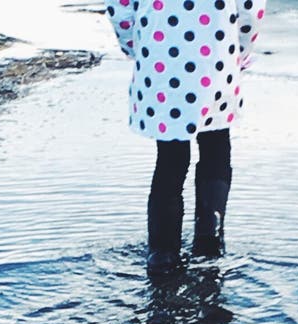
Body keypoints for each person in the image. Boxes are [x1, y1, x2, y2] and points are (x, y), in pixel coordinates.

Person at [106, 0, 265, 276]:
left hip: (161, 52)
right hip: (217, 50)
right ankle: (209, 244)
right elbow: (250, 7)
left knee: (170, 156)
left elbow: (120, 7)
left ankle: (162, 253)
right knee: (216, 146)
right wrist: (241, 47)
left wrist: (134, 44)